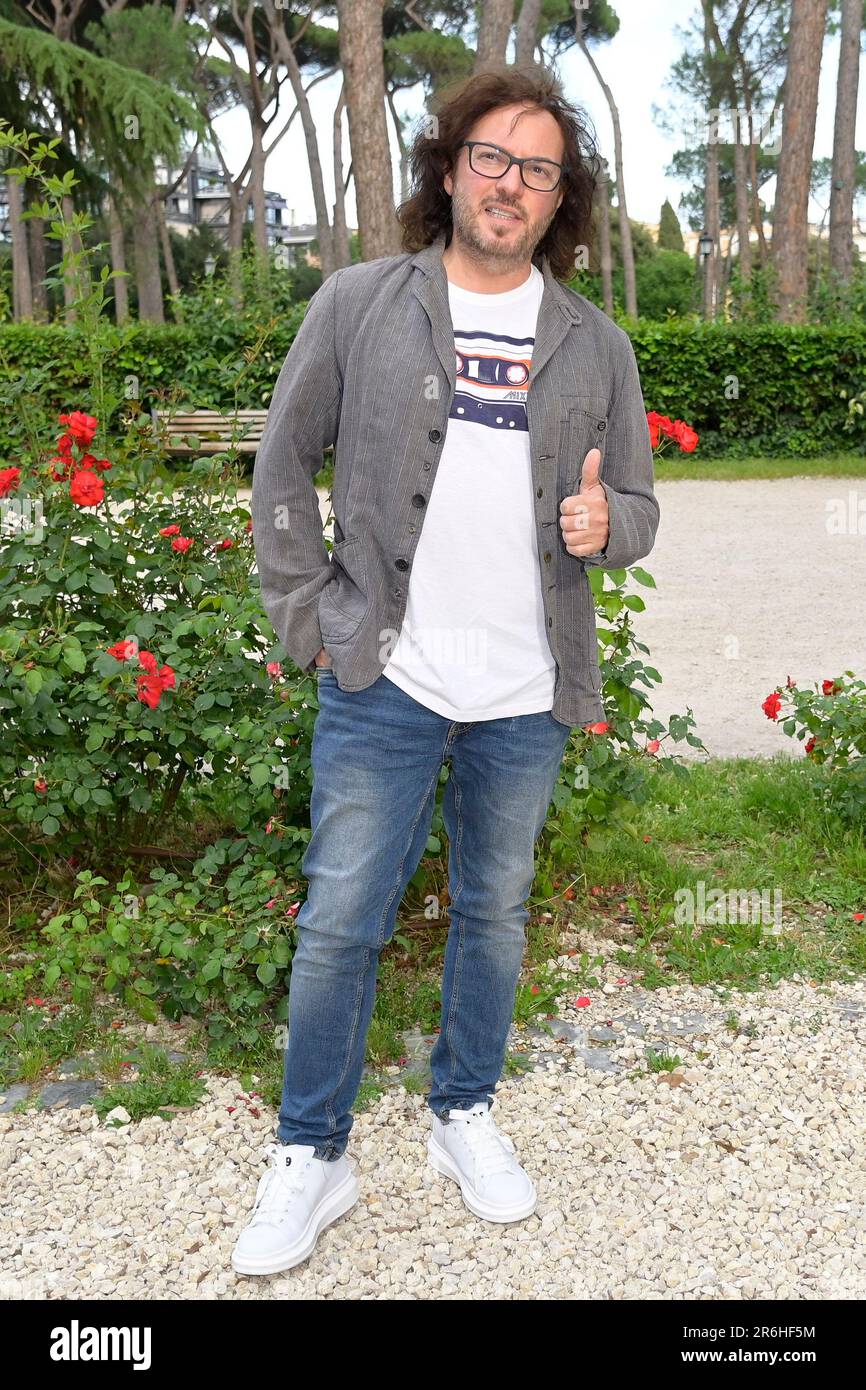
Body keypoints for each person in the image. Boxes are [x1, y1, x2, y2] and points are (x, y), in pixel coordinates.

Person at [234, 62, 659, 1277]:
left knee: (496, 915)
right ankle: (312, 1152)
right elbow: (279, 465)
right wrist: (306, 613)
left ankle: (459, 1111)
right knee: (338, 923)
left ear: (558, 197)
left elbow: (634, 503)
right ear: (448, 166)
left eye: (537, 169)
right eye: (491, 157)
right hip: (386, 679)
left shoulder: (596, 343)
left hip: (526, 692)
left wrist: (604, 532)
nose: (510, 184)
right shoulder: (361, 302)